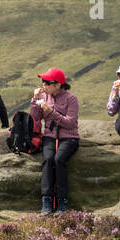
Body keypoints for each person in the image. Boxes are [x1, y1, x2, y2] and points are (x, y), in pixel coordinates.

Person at [29, 68, 79, 214]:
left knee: (59, 160)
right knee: (48, 160)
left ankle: (62, 201)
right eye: (43, 82)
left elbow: (70, 123)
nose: (44, 85)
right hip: (50, 136)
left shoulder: (71, 98)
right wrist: (34, 101)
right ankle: (47, 199)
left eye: (47, 82)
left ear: (58, 85)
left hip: (69, 137)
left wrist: (51, 112)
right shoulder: (43, 96)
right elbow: (36, 117)